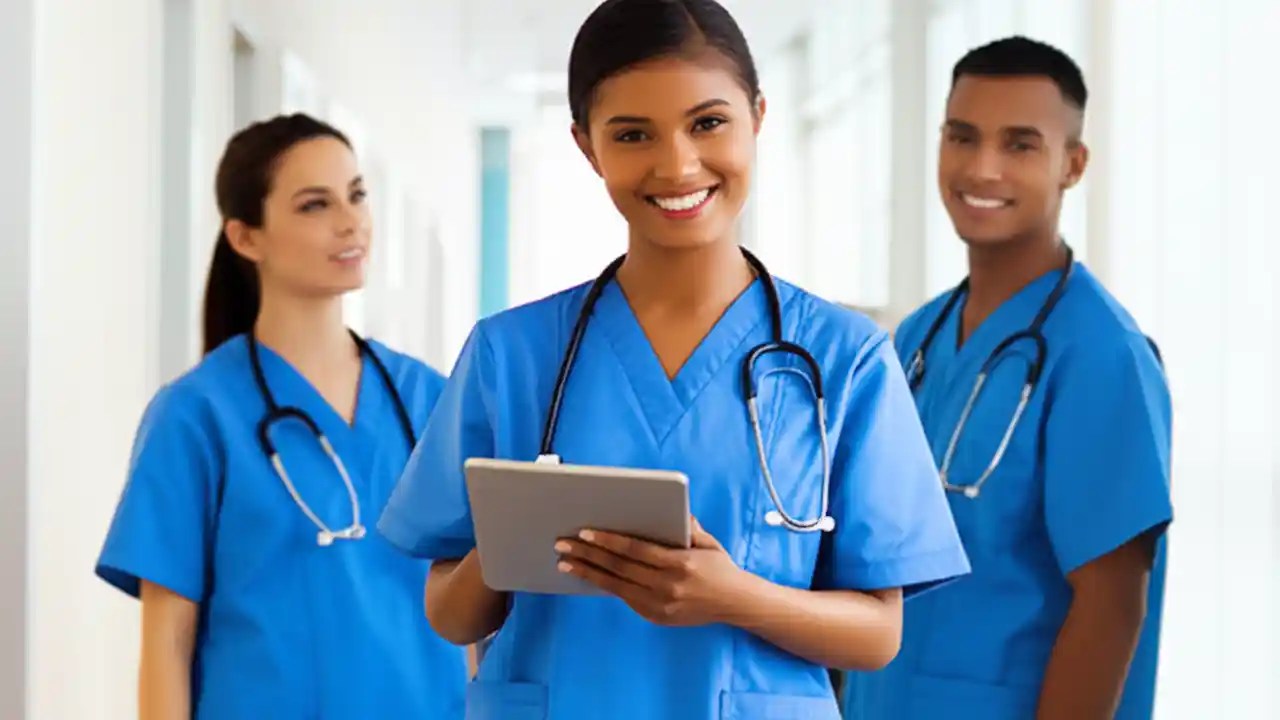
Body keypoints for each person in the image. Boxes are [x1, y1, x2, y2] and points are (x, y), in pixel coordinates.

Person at [376, 1, 970, 718]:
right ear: (587, 147)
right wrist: (512, 541)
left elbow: (878, 634)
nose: (678, 164)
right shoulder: (511, 355)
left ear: (757, 117)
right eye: (632, 134)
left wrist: (731, 596)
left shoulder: (844, 357)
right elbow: (450, 614)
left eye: (708, 123)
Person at [842, 37, 1173, 720]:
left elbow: (1112, 606)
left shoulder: (1101, 355)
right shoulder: (918, 338)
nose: (981, 168)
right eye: (962, 137)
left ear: (1072, 164)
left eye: (1019, 145)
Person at [94, 113, 466, 719]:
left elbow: (471, 610)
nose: (350, 221)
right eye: (315, 205)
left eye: (356, 195)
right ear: (246, 238)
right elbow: (166, 644)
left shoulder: (428, 399)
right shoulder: (196, 416)